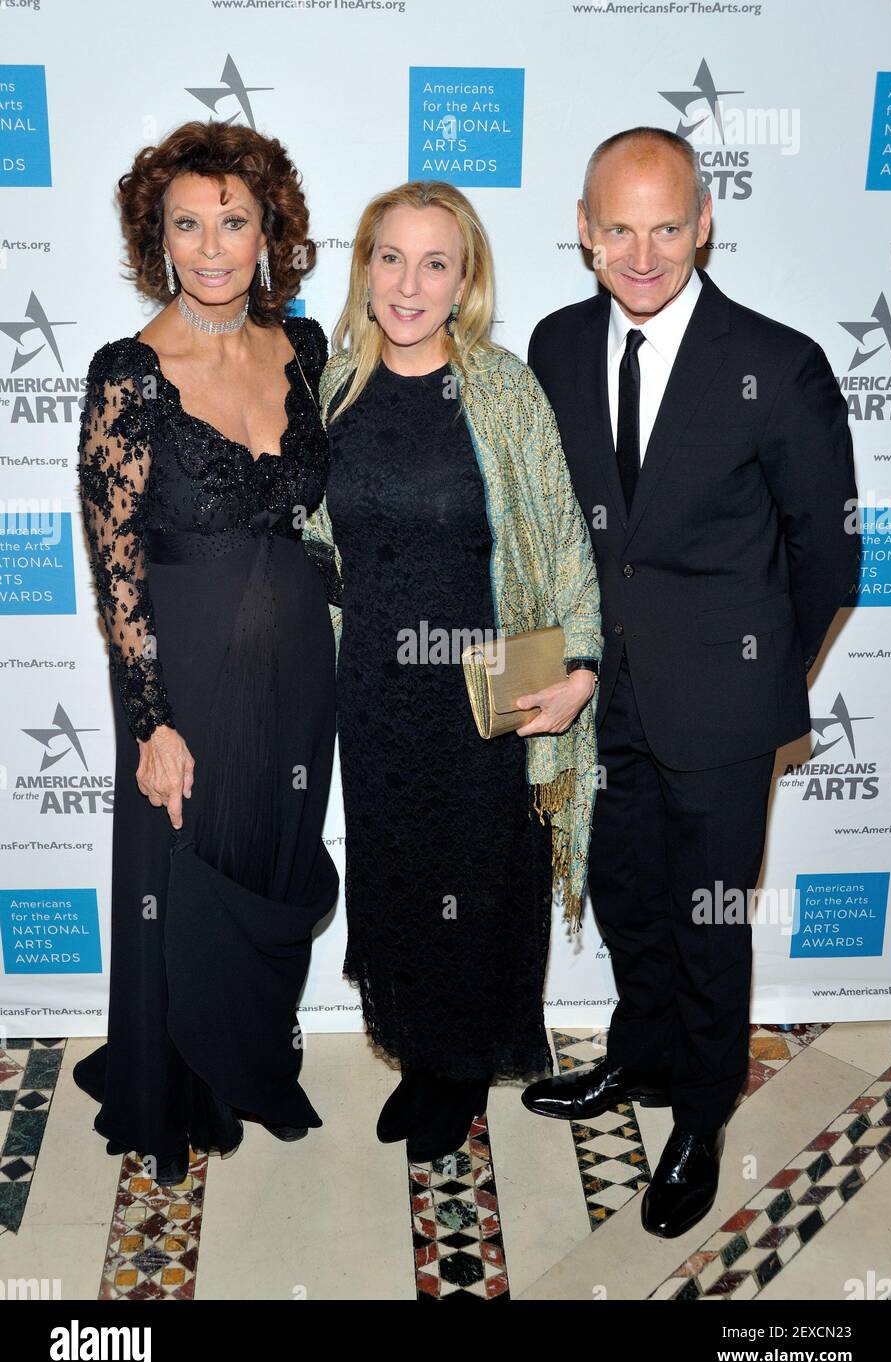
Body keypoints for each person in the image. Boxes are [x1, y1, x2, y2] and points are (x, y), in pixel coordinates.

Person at [522, 127, 859, 1237]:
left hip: (721, 705)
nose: (641, 250)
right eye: (615, 226)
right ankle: (640, 1057)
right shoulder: (556, 344)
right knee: (625, 897)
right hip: (595, 694)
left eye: (665, 225)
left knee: (709, 919)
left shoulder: (779, 359)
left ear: (703, 223)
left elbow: (827, 556)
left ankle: (700, 1117)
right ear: (583, 229)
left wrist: (752, 675)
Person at [302, 180, 601, 1163]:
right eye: (390, 257)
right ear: (365, 266)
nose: (408, 281)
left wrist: (580, 666)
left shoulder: (501, 388)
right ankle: (424, 1055)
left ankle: (460, 1065)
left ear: (463, 278)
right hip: (376, 697)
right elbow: (308, 534)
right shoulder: (332, 390)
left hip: (484, 694)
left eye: (435, 261)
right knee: (394, 879)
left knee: (473, 883)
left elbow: (558, 535)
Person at [74, 120, 339, 1187]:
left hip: (299, 679)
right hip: (183, 673)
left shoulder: (305, 348)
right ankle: (172, 1091)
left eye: (234, 220)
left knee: (272, 863)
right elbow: (116, 567)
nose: (214, 246)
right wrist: (153, 722)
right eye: (188, 224)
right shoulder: (128, 376)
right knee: (181, 878)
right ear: (159, 239)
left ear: (268, 227)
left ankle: (254, 1066)